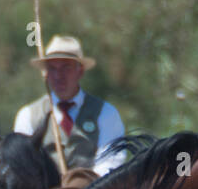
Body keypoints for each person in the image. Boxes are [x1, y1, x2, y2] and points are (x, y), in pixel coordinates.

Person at [14, 35, 126, 177]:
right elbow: (22, 165)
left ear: (80, 71)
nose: (58, 76)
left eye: (66, 68)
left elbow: (111, 162)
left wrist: (79, 186)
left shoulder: (106, 113)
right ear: (46, 74)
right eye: (52, 69)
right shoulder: (28, 116)